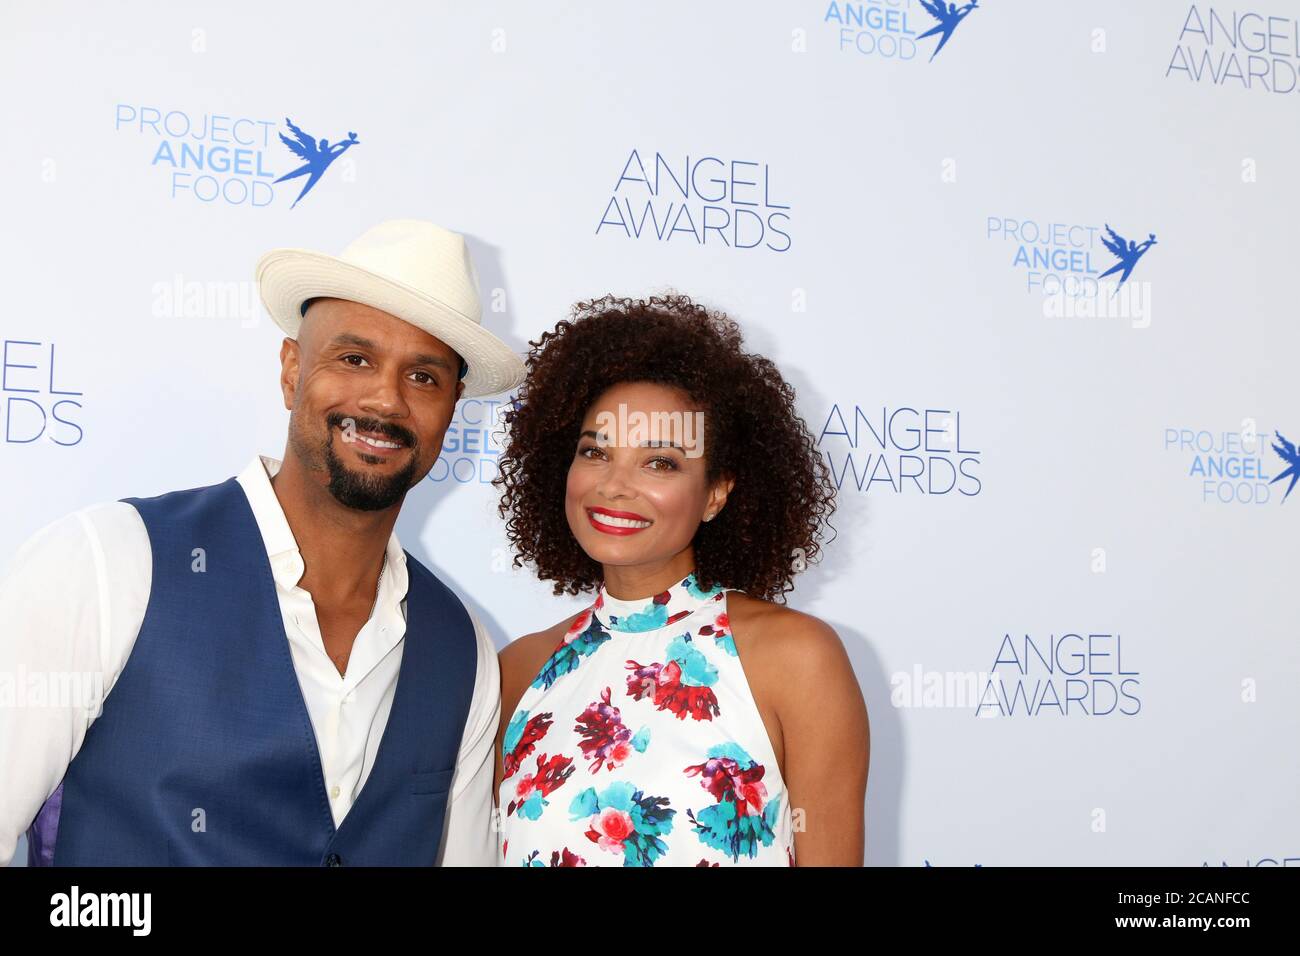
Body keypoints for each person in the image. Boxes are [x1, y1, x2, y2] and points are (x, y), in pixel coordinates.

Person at [0, 219, 524, 866]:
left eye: (423, 377)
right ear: (291, 370)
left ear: (452, 407)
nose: (386, 400)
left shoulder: (460, 646)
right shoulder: (109, 561)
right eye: (354, 359)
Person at [491, 293, 869, 866]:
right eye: (595, 452)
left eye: (660, 462)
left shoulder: (794, 657)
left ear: (715, 493)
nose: (614, 485)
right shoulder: (519, 671)